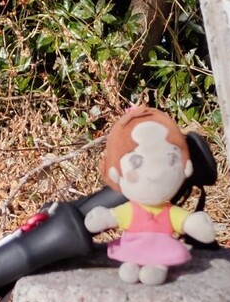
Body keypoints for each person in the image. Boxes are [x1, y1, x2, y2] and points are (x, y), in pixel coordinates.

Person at [83, 106, 216, 284]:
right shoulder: (132, 208)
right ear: (116, 172)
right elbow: (115, 216)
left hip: (160, 250)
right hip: (133, 248)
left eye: (170, 159)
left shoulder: (167, 211)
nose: (154, 173)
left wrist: (194, 224)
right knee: (130, 268)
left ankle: (156, 268)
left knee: (153, 269)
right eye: (136, 162)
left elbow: (183, 221)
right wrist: (104, 217)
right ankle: (133, 265)